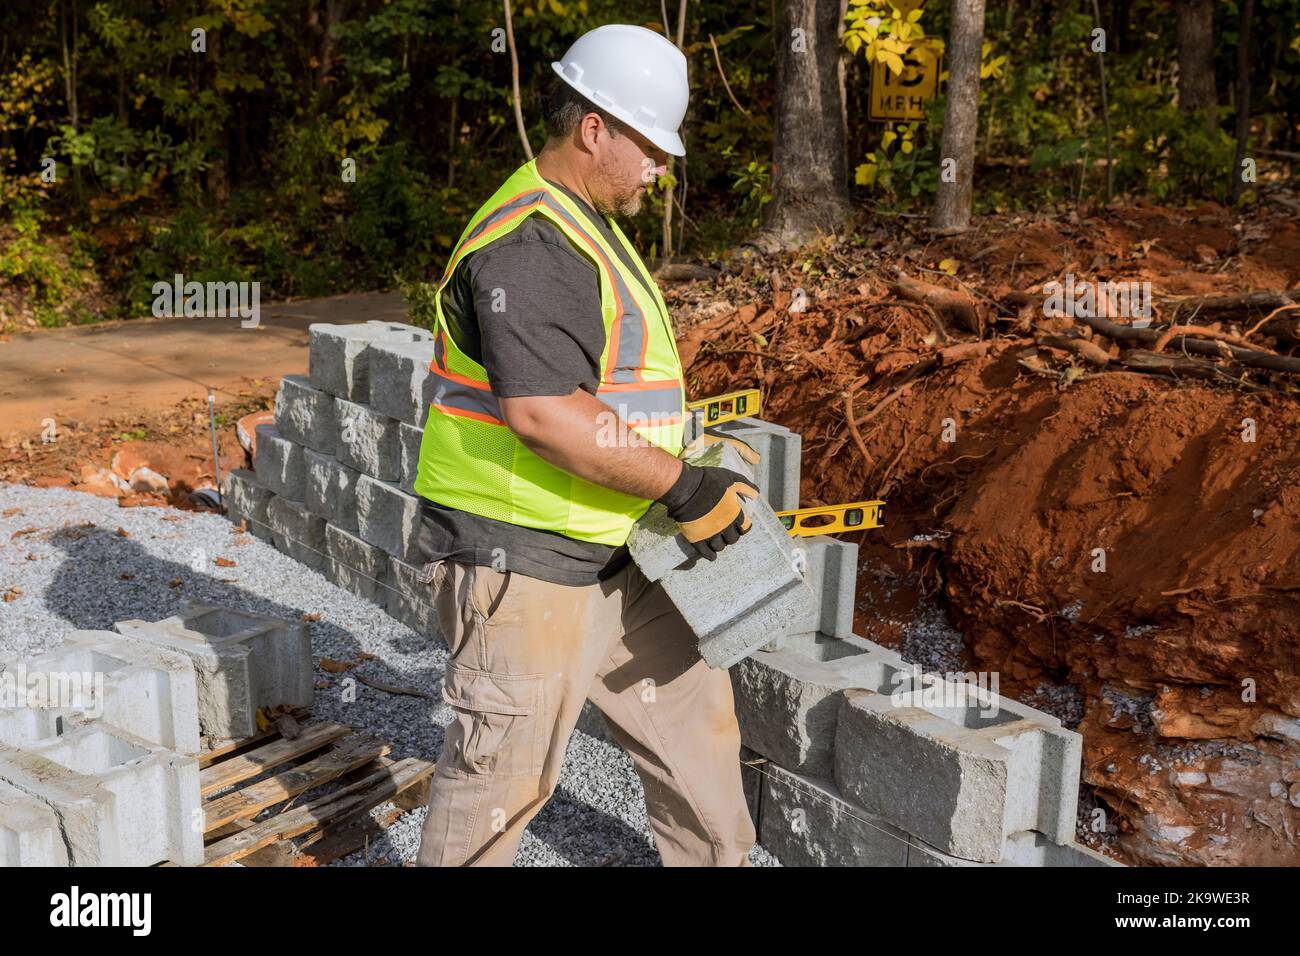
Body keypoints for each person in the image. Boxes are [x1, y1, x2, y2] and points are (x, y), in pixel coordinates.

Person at [412, 23, 760, 867]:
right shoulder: (529, 244)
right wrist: (684, 486)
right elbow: (543, 414)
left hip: (619, 550)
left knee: (706, 771)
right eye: (650, 146)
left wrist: (695, 463)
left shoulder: (583, 222)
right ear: (594, 128)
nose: (661, 167)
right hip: (522, 563)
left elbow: (610, 386)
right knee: (495, 800)